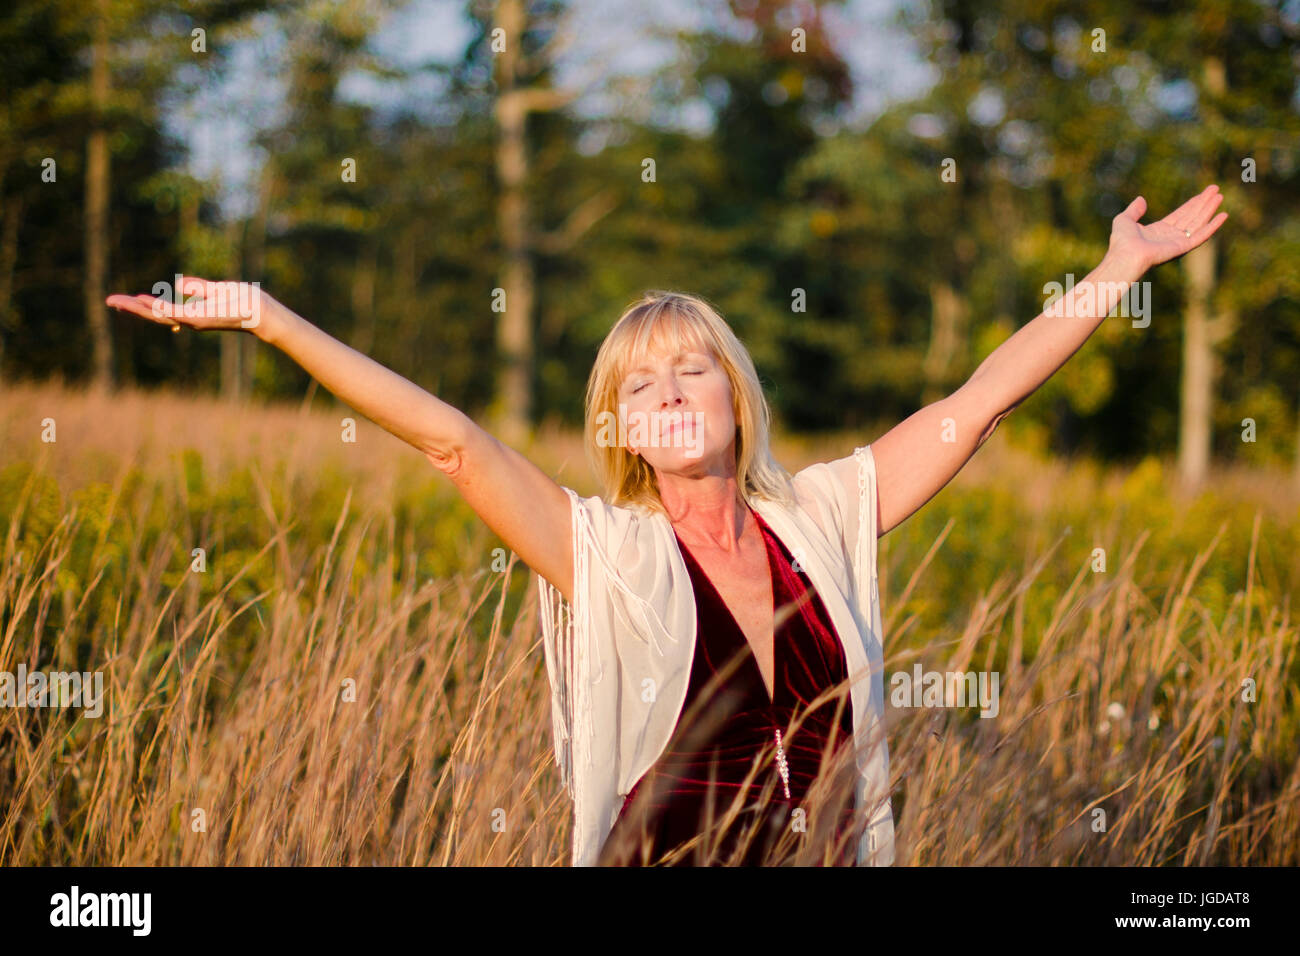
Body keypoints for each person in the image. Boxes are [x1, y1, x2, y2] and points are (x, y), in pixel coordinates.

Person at [106, 185, 1227, 866]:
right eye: (643, 385)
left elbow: (974, 403)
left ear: (739, 394)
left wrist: (1114, 270)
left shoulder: (824, 516)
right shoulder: (603, 548)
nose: (675, 391)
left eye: (696, 368)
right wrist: (267, 316)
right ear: (618, 426)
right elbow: (450, 437)